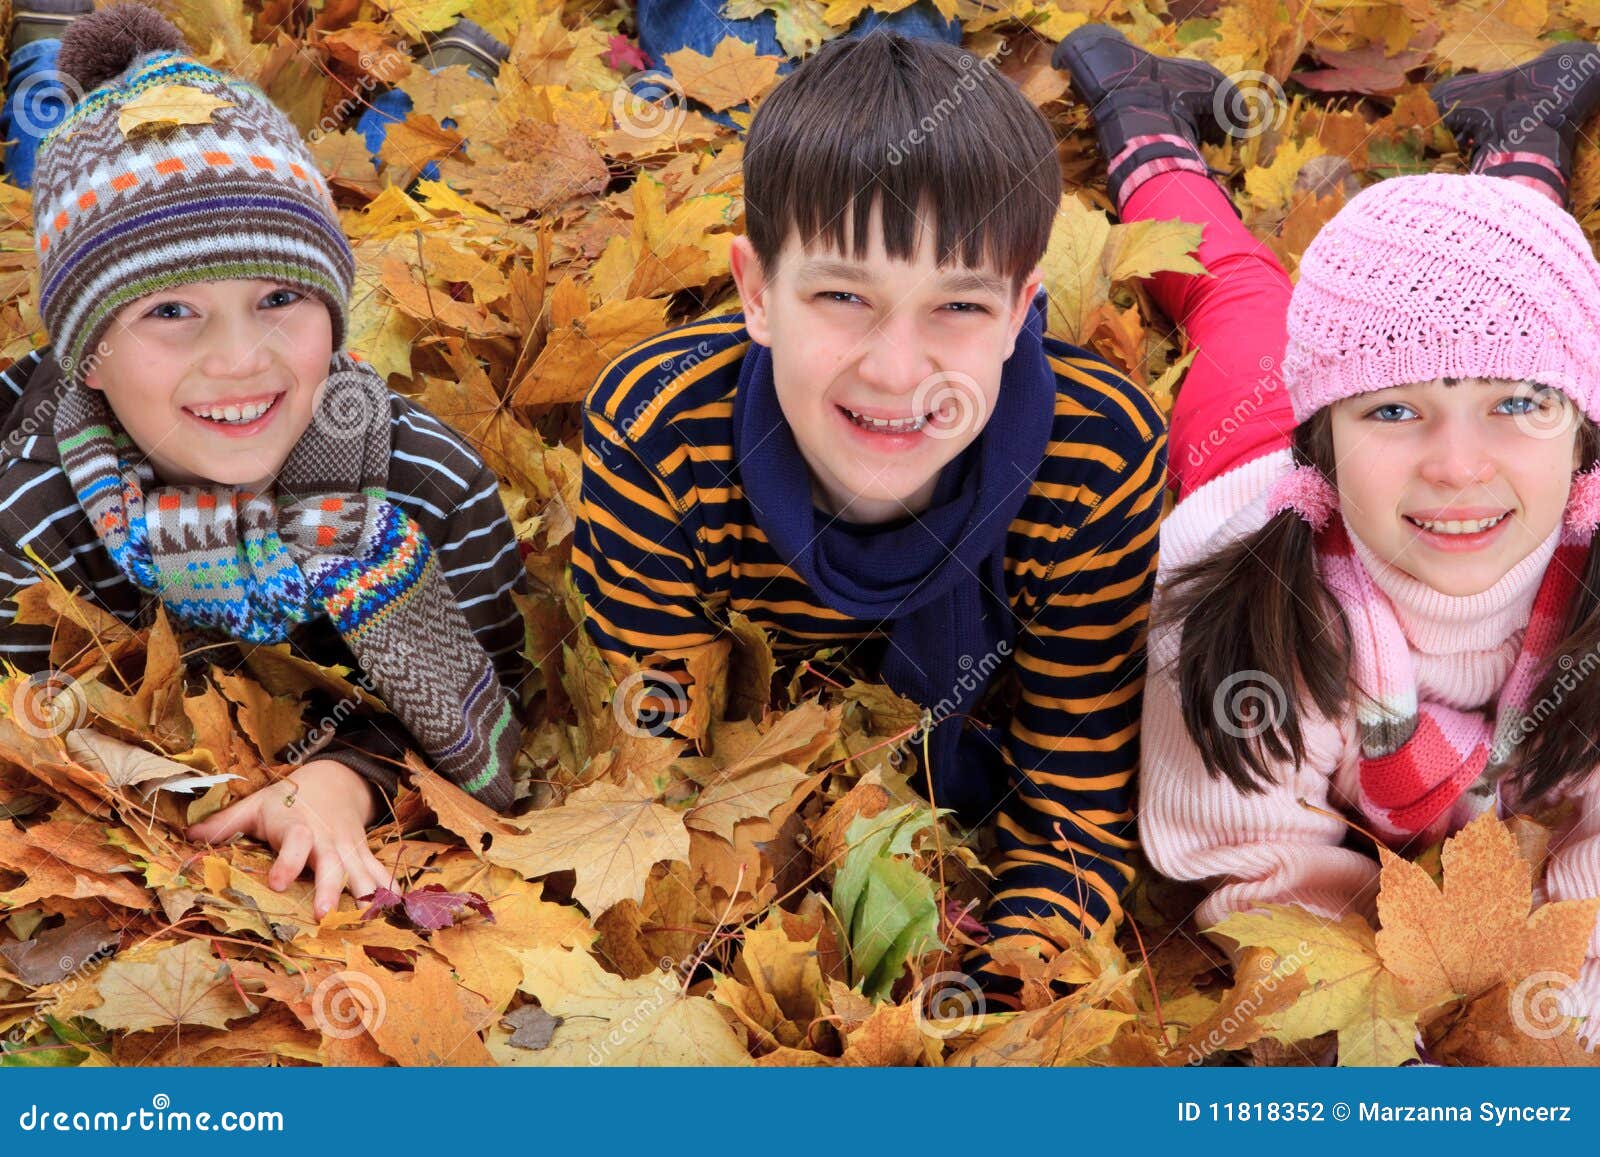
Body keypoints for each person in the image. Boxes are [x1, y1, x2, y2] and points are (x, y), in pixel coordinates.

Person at [571, 32, 1168, 1007]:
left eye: (957, 307)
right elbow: (659, 753)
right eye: (844, 295)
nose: (897, 371)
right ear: (758, 291)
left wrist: (986, 1010)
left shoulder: (1091, 459)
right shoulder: (661, 434)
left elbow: (1076, 800)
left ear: (1021, 310)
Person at [1057, 23, 1600, 1051]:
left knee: (1495, 266)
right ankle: (1138, 107)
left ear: (1583, 437)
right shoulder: (1238, 578)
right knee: (1236, 294)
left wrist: (1564, 1010)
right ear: (1327, 436)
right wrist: (1392, 1022)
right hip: (1257, 439)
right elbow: (1253, 857)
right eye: (1394, 412)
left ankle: (1532, 115)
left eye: (1520, 406)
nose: (1456, 464)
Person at [0, 3, 530, 920]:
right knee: (39, 125)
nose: (241, 359)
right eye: (170, 311)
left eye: (281, 295)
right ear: (88, 356)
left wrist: (342, 779)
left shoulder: (428, 487)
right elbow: (28, 734)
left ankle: (446, 83)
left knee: (416, 144)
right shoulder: (37, 516)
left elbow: (502, 696)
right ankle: (44, 59)